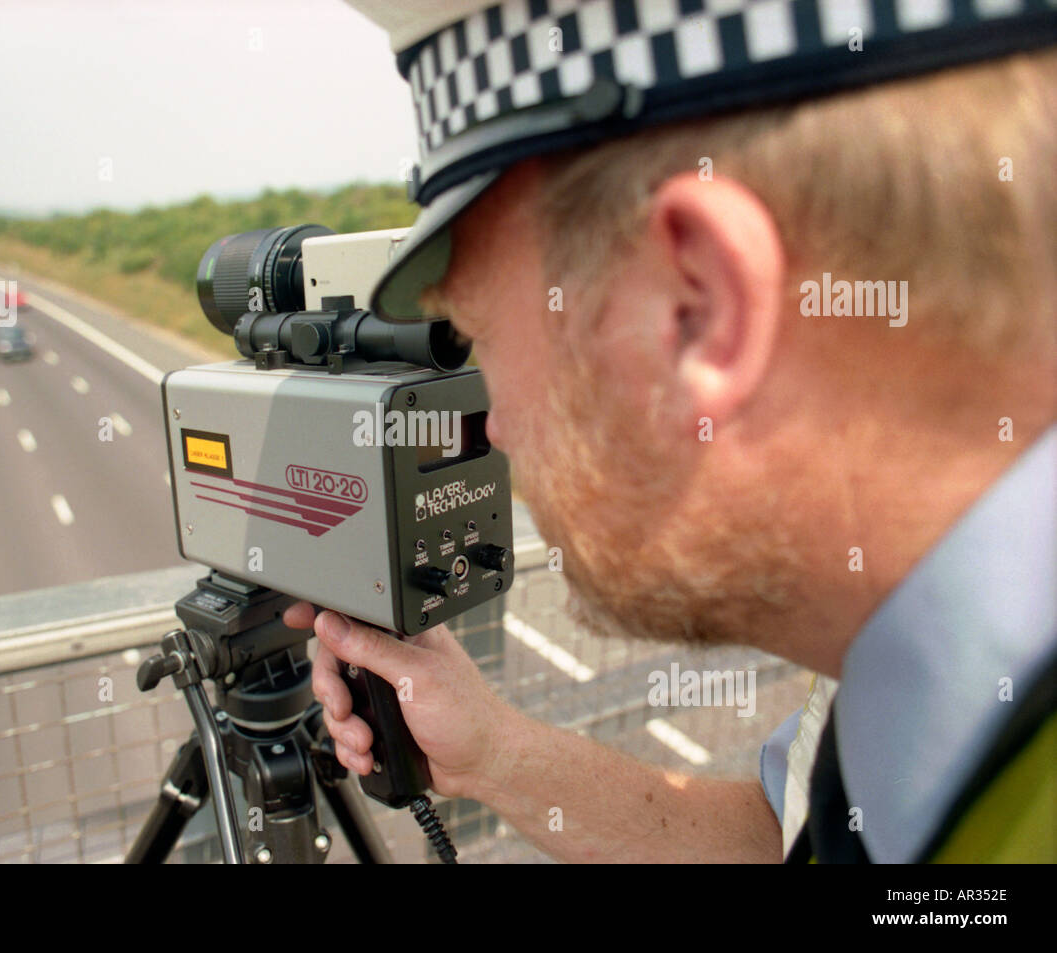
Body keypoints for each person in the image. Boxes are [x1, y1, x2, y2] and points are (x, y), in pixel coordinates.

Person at [284, 0, 1056, 862]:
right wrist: (495, 755)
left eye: (483, 335)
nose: (493, 426)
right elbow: (786, 842)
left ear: (698, 306)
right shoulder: (915, 667)